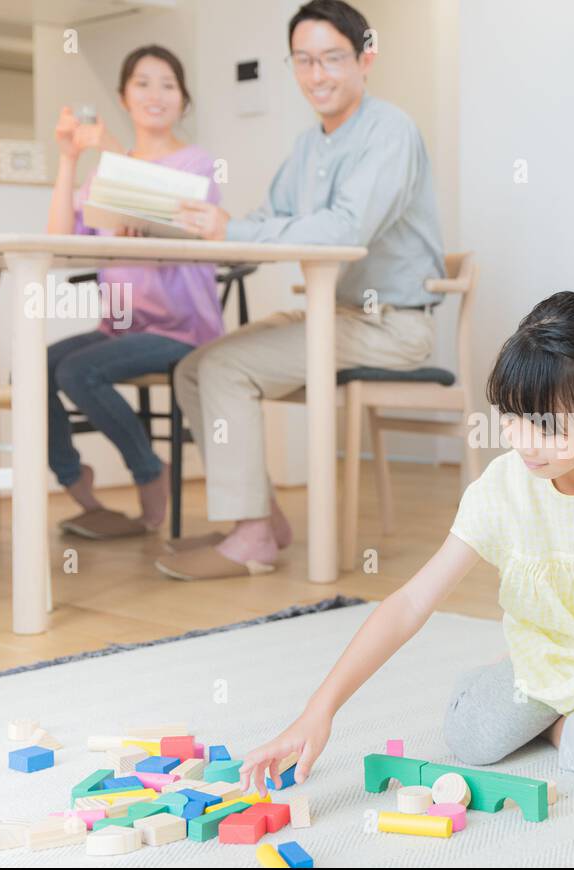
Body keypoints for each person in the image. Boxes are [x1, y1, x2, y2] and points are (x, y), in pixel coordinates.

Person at [235, 267, 574, 798]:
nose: (522, 440)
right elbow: (410, 603)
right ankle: (554, 705)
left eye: (546, 425)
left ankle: (562, 720)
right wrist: (318, 711)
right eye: (511, 416)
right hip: (553, 654)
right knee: (470, 737)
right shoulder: (507, 487)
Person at [155, 0, 445, 580]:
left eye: (333, 58)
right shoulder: (309, 146)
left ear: (367, 58)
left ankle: (253, 536)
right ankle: (259, 520)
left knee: (223, 369)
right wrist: (205, 227)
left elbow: (345, 230)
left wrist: (234, 230)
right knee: (193, 367)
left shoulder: (390, 131)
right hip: (335, 314)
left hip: (391, 325)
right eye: (304, 60)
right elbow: (270, 216)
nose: (317, 75)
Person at [46, 45, 223, 539]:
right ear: (123, 96)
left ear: (183, 100)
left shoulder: (196, 164)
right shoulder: (107, 168)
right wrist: (68, 160)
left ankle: (148, 470)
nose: (155, 94)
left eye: (168, 84)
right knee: (33, 369)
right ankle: (74, 479)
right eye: (142, 83)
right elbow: (59, 241)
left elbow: (163, 209)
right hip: (122, 326)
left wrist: (110, 152)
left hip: (183, 329)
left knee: (78, 370)